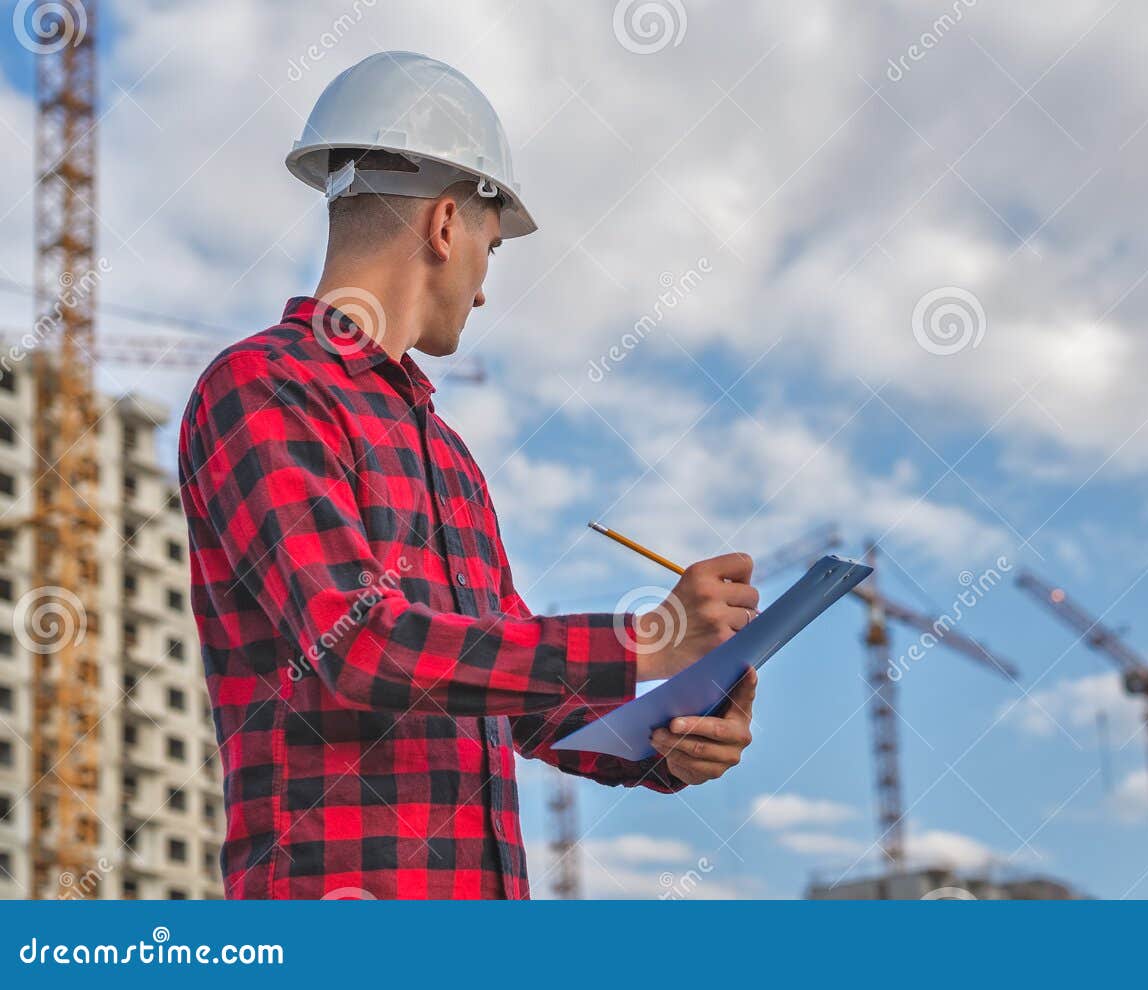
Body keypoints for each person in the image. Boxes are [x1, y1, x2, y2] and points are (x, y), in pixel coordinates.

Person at [178, 52, 758, 900]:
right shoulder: (263, 388)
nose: (485, 288)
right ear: (447, 226)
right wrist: (647, 641)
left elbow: (528, 706)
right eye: (492, 246)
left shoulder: (451, 461)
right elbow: (361, 648)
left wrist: (670, 739)